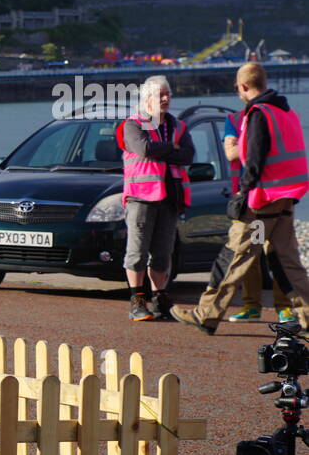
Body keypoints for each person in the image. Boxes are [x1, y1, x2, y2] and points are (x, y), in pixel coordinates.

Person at [173, 65, 309, 333]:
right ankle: (305, 314)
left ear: (244, 87)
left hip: (260, 204)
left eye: (237, 89)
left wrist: (243, 194)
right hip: (284, 200)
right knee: (285, 259)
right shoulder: (286, 111)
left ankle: (206, 314)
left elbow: (254, 160)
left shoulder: (259, 114)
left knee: (235, 255)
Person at [120, 76, 194, 321]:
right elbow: (144, 149)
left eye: (168, 95)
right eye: (160, 95)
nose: (165, 99)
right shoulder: (132, 125)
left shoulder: (179, 127)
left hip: (170, 197)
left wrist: (166, 149)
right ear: (146, 99)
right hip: (140, 197)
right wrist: (171, 148)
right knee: (137, 252)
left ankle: (159, 298)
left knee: (163, 253)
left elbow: (188, 155)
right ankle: (137, 301)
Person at [217, 111, 292, 323]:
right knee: (253, 251)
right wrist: (257, 143)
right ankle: (251, 306)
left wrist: (245, 143)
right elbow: (230, 154)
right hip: (252, 202)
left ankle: (284, 308)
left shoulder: (275, 117)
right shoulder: (235, 119)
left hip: (276, 197)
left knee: (277, 253)